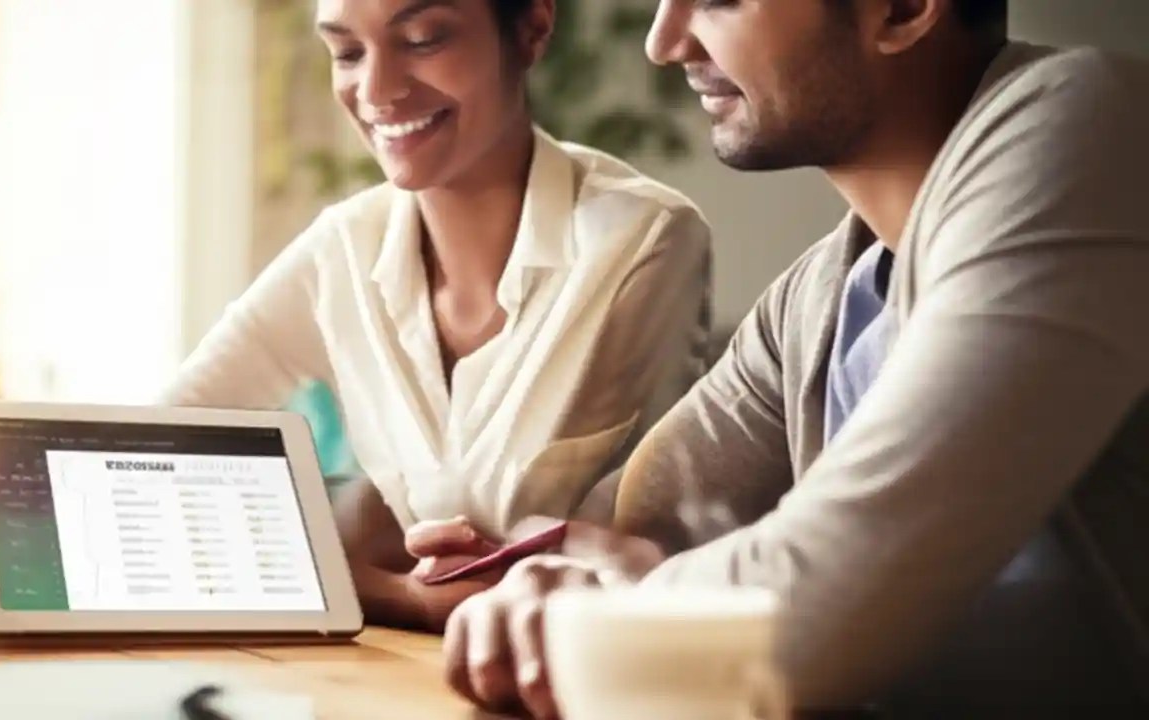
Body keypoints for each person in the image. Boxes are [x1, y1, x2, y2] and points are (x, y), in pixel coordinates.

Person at [437, 0, 1149, 715]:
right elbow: (612, 529)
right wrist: (501, 566)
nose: (664, 42)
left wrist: (591, 608)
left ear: (902, 10)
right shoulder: (824, 293)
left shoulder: (1087, 131)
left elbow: (824, 602)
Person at [161, 0, 713, 633]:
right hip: (402, 675)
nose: (376, 90)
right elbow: (156, 457)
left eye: (423, 40)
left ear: (531, 27)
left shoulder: (642, 241)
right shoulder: (340, 250)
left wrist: (370, 549)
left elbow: (644, 549)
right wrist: (388, 589)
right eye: (346, 53)